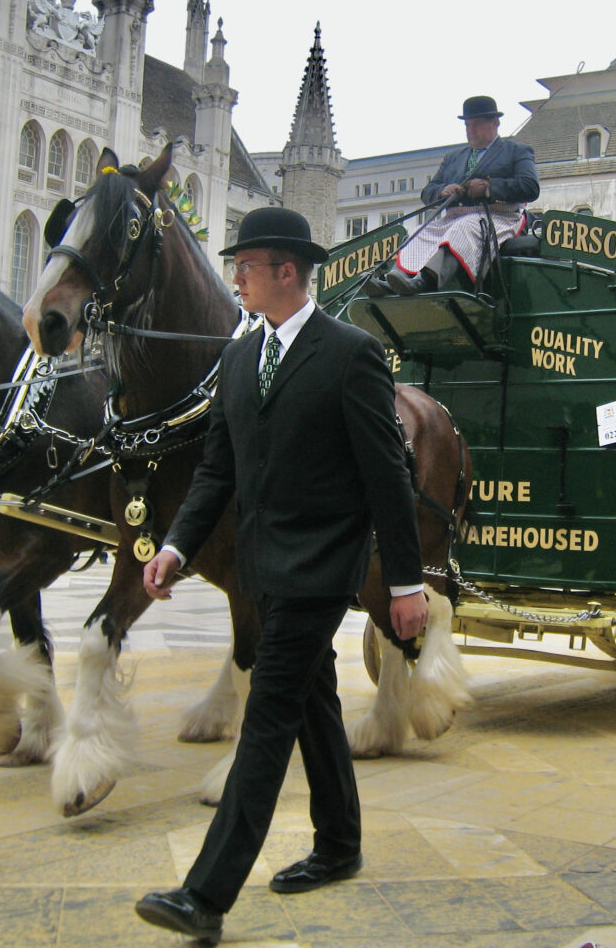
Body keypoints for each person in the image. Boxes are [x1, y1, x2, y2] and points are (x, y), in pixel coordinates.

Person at [133, 206, 427, 945]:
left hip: (321, 569)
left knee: (265, 718)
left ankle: (206, 893)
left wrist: (405, 581)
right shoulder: (239, 359)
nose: (236, 277)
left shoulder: (349, 354)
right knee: (312, 702)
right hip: (261, 569)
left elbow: (388, 477)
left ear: (286, 271)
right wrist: (175, 544)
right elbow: (216, 470)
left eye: (247, 265)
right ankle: (339, 843)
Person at [369, 95, 539, 296]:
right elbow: (428, 192)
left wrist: (488, 188)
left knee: (462, 229)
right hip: (453, 217)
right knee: (421, 231)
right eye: (467, 125)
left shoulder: (517, 151)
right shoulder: (453, 158)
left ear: (495, 123)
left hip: (498, 216)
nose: (471, 131)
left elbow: (530, 187)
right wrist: (443, 191)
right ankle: (397, 279)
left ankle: (425, 281)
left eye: (476, 124)